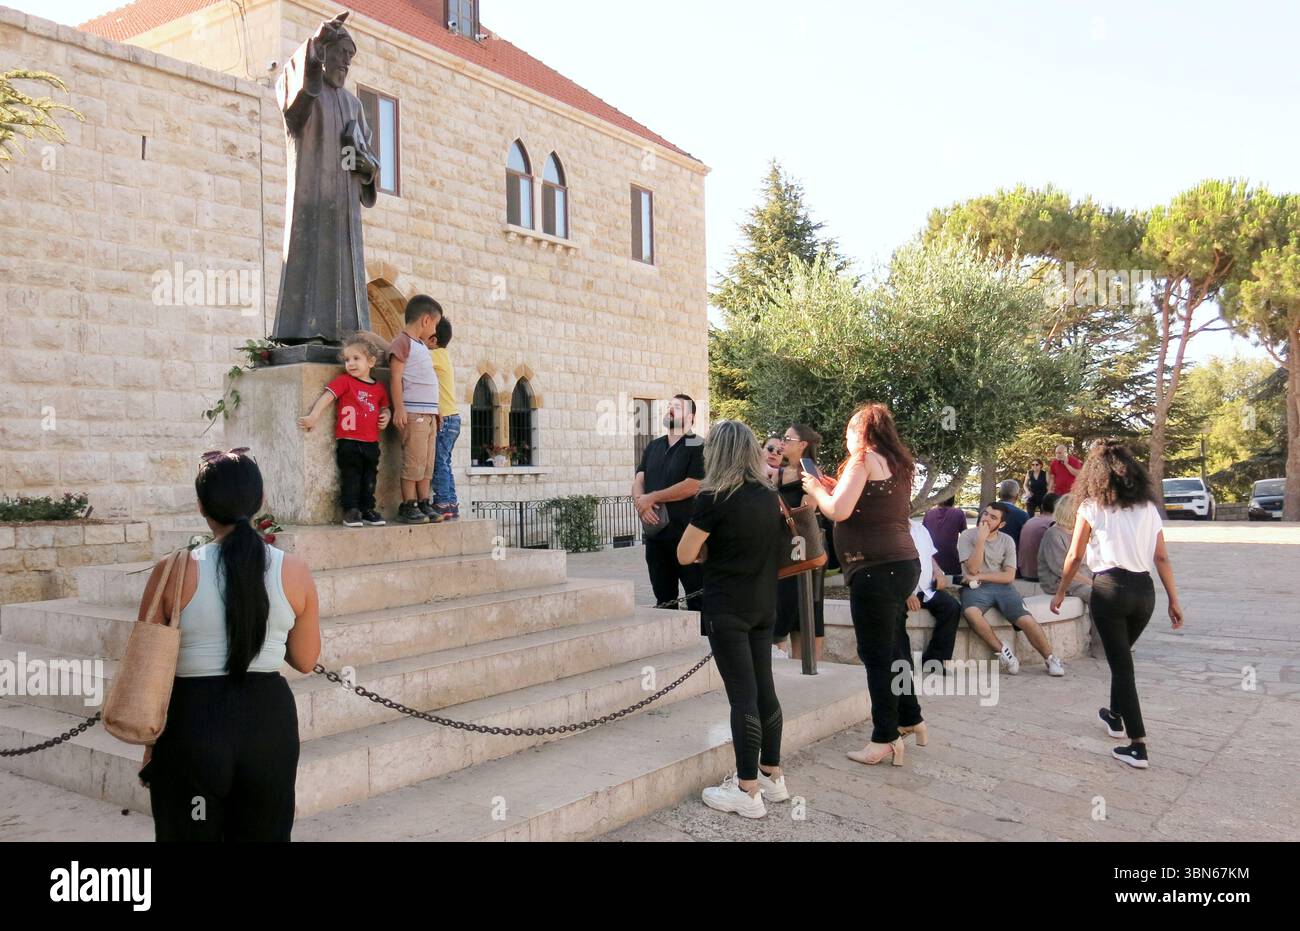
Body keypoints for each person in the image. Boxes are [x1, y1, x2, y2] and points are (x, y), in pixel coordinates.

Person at [136, 450, 321, 841]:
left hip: (193, 721)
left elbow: (148, 668)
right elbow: (306, 660)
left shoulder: (173, 571)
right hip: (267, 721)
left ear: (201, 505)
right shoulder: (295, 570)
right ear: (261, 500)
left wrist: (152, 742)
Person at [677, 421, 788, 818]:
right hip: (764, 604)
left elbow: (684, 554)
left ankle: (747, 789)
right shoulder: (768, 495)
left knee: (742, 697)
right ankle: (772, 776)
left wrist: (711, 550)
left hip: (729, 608)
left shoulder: (714, 496)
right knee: (764, 690)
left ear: (718, 452)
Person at [1052, 441, 1185, 770]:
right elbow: (1162, 557)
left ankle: (1137, 744)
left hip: (1110, 589)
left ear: (1093, 475)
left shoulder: (1091, 507)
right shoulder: (1148, 509)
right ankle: (1114, 716)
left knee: (1122, 666)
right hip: (1145, 592)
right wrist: (1173, 599)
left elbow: (1074, 556)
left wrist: (1060, 592)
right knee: (1121, 656)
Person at [804, 403, 923, 766]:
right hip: (903, 564)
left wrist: (814, 487)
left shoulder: (863, 459)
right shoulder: (899, 463)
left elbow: (838, 510)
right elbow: (864, 502)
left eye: (850, 429)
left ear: (863, 432)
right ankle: (910, 716)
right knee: (895, 647)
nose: (846, 436)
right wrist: (830, 485)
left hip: (875, 570)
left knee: (876, 656)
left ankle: (884, 737)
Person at [958, 502, 1066, 677]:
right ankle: (1003, 652)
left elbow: (1009, 576)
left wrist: (981, 576)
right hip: (975, 589)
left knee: (1026, 620)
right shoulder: (967, 536)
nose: (986, 518)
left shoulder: (1006, 540)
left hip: (1002, 588)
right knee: (971, 613)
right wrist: (980, 541)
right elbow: (972, 569)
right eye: (985, 514)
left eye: (993, 517)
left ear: (1001, 525)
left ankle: (1050, 658)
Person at [298, 332, 392, 528]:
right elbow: (327, 397)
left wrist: (387, 415)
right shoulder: (344, 381)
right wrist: (314, 415)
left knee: (369, 477)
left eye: (356, 358)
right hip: (349, 441)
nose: (351, 363)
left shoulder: (379, 388)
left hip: (371, 442)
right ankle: (351, 511)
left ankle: (367, 509)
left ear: (371, 362)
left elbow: (385, 407)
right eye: (347, 359)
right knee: (351, 476)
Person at [633, 395, 705, 613]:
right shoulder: (654, 445)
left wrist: (652, 498)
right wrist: (641, 504)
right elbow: (639, 480)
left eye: (677, 407)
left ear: (690, 417)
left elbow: (692, 485)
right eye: (669, 406)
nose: (670, 410)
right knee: (664, 599)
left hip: (687, 535)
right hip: (656, 538)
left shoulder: (697, 443)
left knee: (697, 599)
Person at [772, 425, 826, 662]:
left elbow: (808, 510)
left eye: (787, 438)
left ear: (802, 444)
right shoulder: (778, 473)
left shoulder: (811, 471)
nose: (782, 443)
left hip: (805, 549)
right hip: (782, 547)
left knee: (807, 607)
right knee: (784, 604)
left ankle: (810, 664)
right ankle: (789, 662)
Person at [388, 296, 443, 525]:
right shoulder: (403, 342)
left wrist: (437, 411)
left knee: (427, 463)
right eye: (435, 325)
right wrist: (399, 407)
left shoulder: (421, 345)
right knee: (414, 461)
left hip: (429, 414)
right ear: (426, 320)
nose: (434, 330)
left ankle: (424, 501)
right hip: (414, 413)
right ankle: (408, 504)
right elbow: (395, 376)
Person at [908, 519, 962, 671]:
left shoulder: (921, 529)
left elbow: (929, 555)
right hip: (900, 590)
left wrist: (938, 572)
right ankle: (903, 663)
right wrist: (906, 593)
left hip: (926, 589)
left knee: (952, 608)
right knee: (895, 616)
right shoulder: (888, 529)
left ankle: (935, 662)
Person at [428, 317, 461, 522]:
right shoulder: (444, 355)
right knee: (445, 462)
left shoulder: (434, 355)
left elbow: (412, 359)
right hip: (453, 418)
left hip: (445, 419)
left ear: (432, 339)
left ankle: (441, 503)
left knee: (439, 463)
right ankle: (451, 503)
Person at [1018, 492, 1059, 583]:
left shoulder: (1029, 521)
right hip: (1041, 575)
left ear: (1042, 506)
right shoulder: (1052, 524)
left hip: (1025, 572)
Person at [923, 497, 967, 578]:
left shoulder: (929, 513)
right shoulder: (959, 513)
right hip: (951, 559)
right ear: (953, 500)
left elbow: (923, 535)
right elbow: (965, 535)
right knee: (954, 582)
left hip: (930, 559)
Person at [995, 479, 1030, 549]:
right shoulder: (1022, 515)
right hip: (1012, 556)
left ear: (999, 494)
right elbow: (1025, 542)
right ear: (1016, 496)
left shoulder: (986, 512)